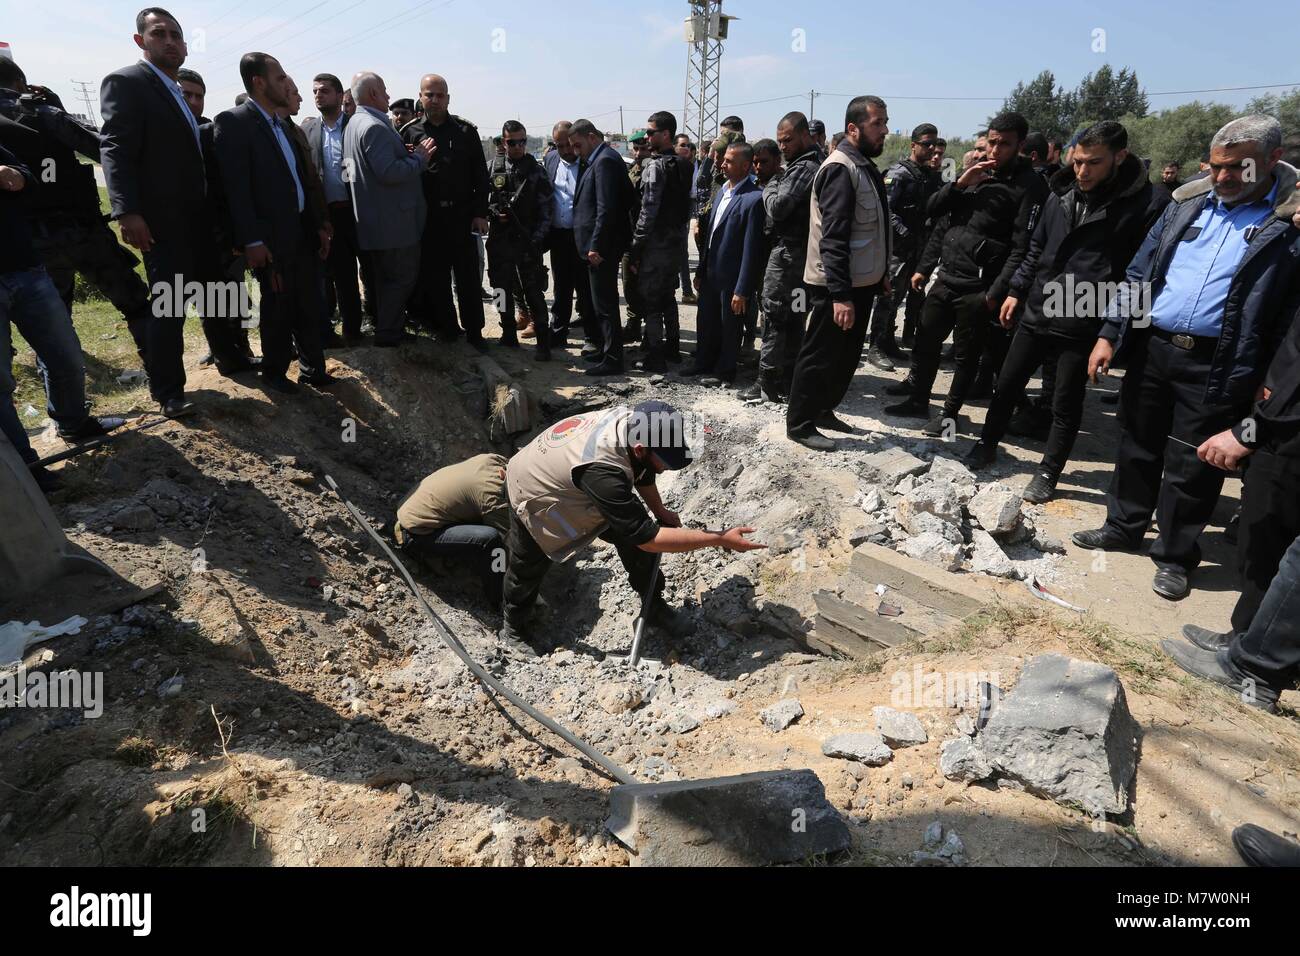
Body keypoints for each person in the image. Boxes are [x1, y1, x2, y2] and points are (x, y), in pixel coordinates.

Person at [1074, 115, 1300, 601]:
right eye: (1214, 166)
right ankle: (1124, 524)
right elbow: (1140, 272)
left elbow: (1285, 314)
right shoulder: (1186, 203)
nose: (1219, 178)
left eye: (1233, 169)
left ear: (1267, 162)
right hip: (1156, 347)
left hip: (1219, 362)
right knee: (1137, 441)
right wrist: (1111, 333)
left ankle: (1175, 554)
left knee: (1192, 462)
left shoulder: (1288, 220)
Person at [960, 122, 1154, 504]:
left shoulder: (1143, 206)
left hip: (1082, 318)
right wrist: (1016, 290)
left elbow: (1140, 275)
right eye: (1078, 161)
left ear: (1120, 157)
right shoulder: (1059, 192)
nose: (1083, 171)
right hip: (1038, 309)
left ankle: (1048, 473)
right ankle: (986, 444)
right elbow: (1037, 247)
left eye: (1093, 163)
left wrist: (1112, 333)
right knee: (1008, 385)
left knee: (1064, 404)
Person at [500, 401, 765, 654]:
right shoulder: (604, 474)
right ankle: (514, 628)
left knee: (634, 536)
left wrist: (659, 510)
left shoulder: (637, 424)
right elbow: (647, 538)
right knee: (527, 565)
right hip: (534, 490)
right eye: (663, 461)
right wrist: (719, 538)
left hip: (577, 480)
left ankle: (654, 608)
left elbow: (645, 471)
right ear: (640, 449)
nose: (664, 470)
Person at [1160, 259, 1300, 711]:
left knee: (1290, 554)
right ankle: (1246, 640)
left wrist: (1249, 431)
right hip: (1279, 418)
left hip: (1287, 428)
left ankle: (1256, 670)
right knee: (1269, 536)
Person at [884, 111, 1048, 438]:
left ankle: (949, 415)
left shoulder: (1029, 186)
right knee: (926, 339)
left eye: (1004, 144)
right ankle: (918, 399)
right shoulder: (973, 175)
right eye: (992, 142)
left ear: (1019, 146)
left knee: (965, 356)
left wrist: (998, 292)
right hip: (946, 278)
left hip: (980, 287)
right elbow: (940, 219)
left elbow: (1023, 246)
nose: (995, 150)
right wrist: (924, 268)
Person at [0, 58, 153, 385]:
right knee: (135, 303)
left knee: (52, 329)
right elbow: (104, 150)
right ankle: (166, 383)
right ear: (21, 82)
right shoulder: (42, 113)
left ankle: (69, 413)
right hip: (79, 231)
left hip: (27, 246)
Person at [99, 7, 213, 418]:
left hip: (193, 219)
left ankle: (224, 359)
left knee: (203, 296)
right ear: (140, 41)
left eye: (177, 35)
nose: (170, 41)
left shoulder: (174, 90)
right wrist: (127, 211)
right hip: (161, 222)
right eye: (159, 33)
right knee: (168, 305)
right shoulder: (127, 82)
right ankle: (168, 391)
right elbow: (115, 147)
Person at [213, 54, 334, 394]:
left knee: (309, 302)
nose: (287, 84)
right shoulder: (234, 122)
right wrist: (251, 240)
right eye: (280, 78)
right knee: (279, 305)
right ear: (259, 83)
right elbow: (236, 189)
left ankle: (313, 369)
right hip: (270, 240)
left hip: (301, 233)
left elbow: (301, 181)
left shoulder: (282, 126)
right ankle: (275, 374)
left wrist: (319, 226)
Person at [0, 141, 117, 484]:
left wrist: (16, 178)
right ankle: (26, 468)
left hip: (26, 269)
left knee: (65, 354)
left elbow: (30, 181)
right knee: (0, 381)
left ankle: (73, 422)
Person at [785, 95, 892, 451]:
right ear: (853, 128)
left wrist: (881, 274)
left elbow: (873, 231)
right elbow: (834, 239)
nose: (885, 130)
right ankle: (800, 424)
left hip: (860, 284)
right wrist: (841, 295)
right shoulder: (839, 168)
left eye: (884, 123)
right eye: (877, 124)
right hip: (836, 286)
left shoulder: (864, 166)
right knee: (819, 354)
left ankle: (822, 410)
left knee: (844, 357)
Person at [342, 71, 433, 347]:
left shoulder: (354, 124)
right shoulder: (373, 127)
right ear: (372, 94)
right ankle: (389, 333)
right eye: (384, 90)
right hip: (394, 224)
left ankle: (388, 327)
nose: (389, 96)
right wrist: (419, 158)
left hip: (375, 222)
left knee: (385, 281)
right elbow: (389, 172)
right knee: (400, 279)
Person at [399, 74, 490, 350]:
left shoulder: (465, 131)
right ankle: (448, 330)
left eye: (440, 95)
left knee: (468, 279)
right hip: (428, 220)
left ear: (448, 98)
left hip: (462, 218)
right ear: (421, 97)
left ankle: (475, 332)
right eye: (429, 95)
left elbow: (480, 177)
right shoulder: (410, 132)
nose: (435, 100)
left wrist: (480, 213)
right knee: (435, 279)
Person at [744, 111, 822, 404]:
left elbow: (777, 208)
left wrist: (772, 185)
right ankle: (788, 378)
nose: (784, 146)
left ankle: (767, 381)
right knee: (794, 317)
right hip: (800, 258)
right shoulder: (810, 163)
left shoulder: (803, 168)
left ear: (805, 135)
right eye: (780, 141)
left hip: (789, 257)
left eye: (788, 140)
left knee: (776, 315)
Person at [686, 141, 765, 385]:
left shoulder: (754, 198)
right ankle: (703, 363)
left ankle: (725, 372)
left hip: (732, 278)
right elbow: (710, 237)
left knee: (729, 327)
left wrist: (742, 289)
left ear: (745, 166)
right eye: (724, 160)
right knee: (706, 321)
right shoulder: (721, 191)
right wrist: (700, 270)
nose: (722, 164)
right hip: (711, 273)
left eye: (729, 161)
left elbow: (752, 249)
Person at [865, 123, 941, 372]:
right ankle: (875, 345)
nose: (931, 149)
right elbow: (885, 210)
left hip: (918, 248)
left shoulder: (929, 175)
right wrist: (904, 233)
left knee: (904, 297)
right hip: (898, 248)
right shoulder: (899, 173)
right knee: (887, 297)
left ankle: (888, 340)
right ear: (914, 145)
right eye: (926, 144)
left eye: (934, 144)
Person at [301, 73, 367, 343]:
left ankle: (362, 327)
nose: (318, 95)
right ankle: (337, 330)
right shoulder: (308, 131)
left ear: (341, 96)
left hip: (358, 211)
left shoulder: (355, 125)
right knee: (339, 274)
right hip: (328, 214)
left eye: (325, 90)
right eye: (315, 91)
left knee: (369, 270)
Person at [395, 453, 511, 605]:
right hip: (417, 533)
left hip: (410, 506)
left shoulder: (494, 460)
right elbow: (509, 547)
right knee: (494, 543)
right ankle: (500, 601)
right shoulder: (496, 497)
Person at [628, 111, 694, 372]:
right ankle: (674, 348)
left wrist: (637, 244)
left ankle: (656, 355)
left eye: (650, 132)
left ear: (665, 134)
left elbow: (649, 209)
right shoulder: (685, 164)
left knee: (652, 300)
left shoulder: (655, 166)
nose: (646, 136)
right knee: (668, 296)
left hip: (656, 242)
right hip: (675, 241)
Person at [569, 118, 635, 376]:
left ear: (592, 137)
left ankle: (613, 358)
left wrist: (596, 245)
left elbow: (606, 208)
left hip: (602, 247)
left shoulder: (605, 160)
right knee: (599, 304)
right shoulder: (600, 159)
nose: (576, 151)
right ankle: (607, 350)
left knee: (605, 304)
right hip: (598, 244)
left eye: (578, 145)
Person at [485, 120, 552, 360]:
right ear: (504, 142)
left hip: (526, 240)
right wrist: (494, 213)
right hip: (500, 240)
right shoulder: (493, 168)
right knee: (500, 290)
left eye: (522, 141)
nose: (517, 146)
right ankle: (508, 334)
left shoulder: (536, 171)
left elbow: (547, 210)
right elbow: (482, 203)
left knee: (534, 292)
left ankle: (544, 341)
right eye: (512, 142)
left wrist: (537, 240)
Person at [542, 121, 597, 355]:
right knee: (561, 287)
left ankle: (592, 336)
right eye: (559, 145)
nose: (565, 151)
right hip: (559, 235)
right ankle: (559, 331)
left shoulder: (589, 162)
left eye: (568, 145)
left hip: (583, 236)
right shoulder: (551, 159)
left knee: (586, 289)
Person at [673, 135, 699, 304]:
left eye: (688, 145)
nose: (686, 148)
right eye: (683, 145)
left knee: (682, 252)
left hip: (688, 209)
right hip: (670, 218)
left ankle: (687, 291)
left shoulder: (696, 166)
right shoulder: (669, 165)